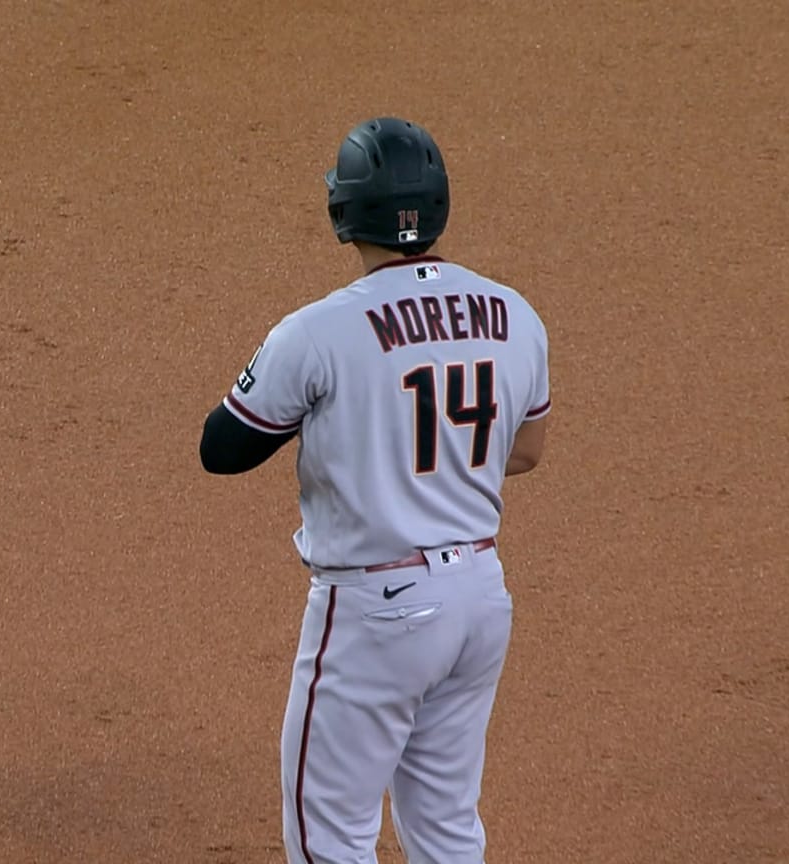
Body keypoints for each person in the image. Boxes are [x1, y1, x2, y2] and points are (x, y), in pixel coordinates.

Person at [198, 116, 551, 864]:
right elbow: (526, 449)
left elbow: (222, 450)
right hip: (480, 602)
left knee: (329, 837)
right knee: (448, 825)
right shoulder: (514, 315)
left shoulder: (318, 330)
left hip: (377, 614)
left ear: (343, 210)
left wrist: (359, 447)